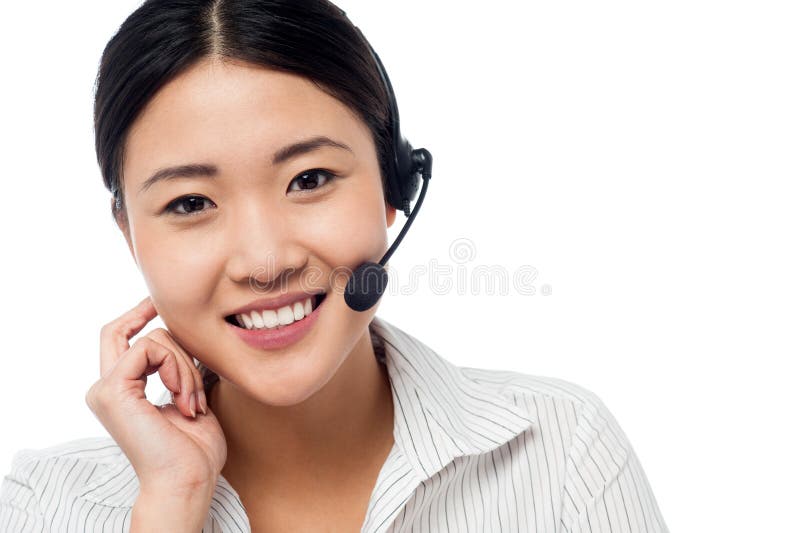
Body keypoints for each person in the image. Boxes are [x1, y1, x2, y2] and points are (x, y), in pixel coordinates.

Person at [0, 1, 669, 531]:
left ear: (393, 189)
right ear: (129, 235)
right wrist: (171, 505)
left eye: (310, 177)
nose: (265, 260)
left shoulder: (563, 455)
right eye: (191, 201)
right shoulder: (42, 506)